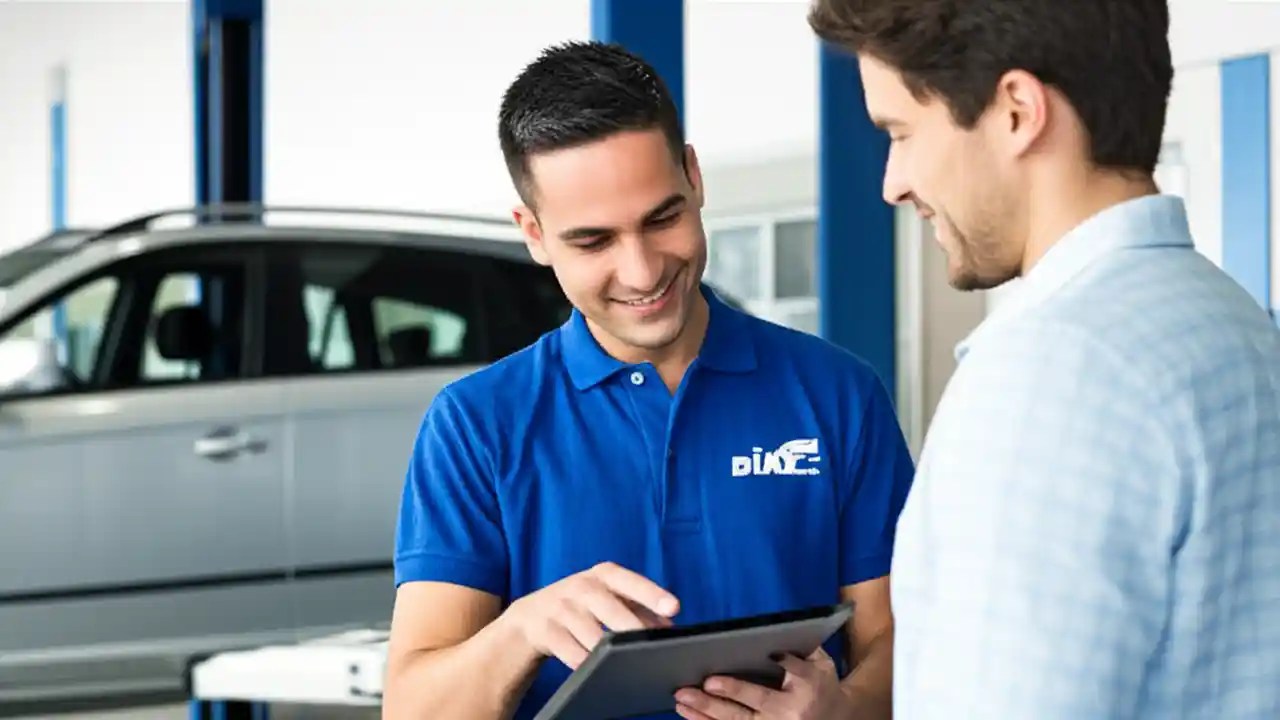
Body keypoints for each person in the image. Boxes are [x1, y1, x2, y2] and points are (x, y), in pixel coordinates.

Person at [381, 40, 914, 720]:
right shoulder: (476, 426)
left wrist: (841, 711)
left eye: (662, 218)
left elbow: (898, 642)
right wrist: (521, 629)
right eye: (593, 241)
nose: (641, 272)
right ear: (534, 234)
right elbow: (413, 710)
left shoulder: (838, 395)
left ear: (694, 177)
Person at [808, 0, 1280, 718]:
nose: (892, 182)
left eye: (901, 133)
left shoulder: (1045, 383)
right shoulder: (1233, 326)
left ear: (1017, 113)